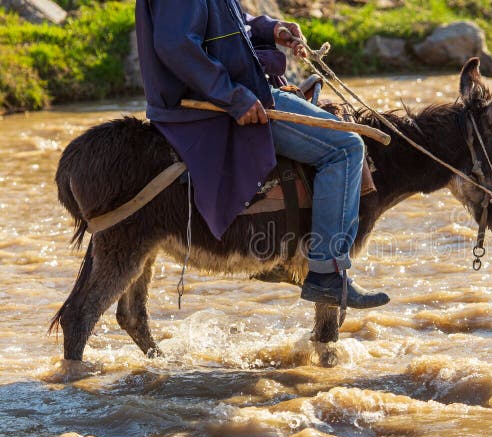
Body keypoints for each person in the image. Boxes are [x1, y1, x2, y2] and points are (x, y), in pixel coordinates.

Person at [135, 0, 389, 309]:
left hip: (235, 91)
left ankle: (290, 253)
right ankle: (326, 273)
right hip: (216, 104)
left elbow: (233, 21)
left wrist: (273, 29)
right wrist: (234, 97)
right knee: (346, 147)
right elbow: (176, 46)